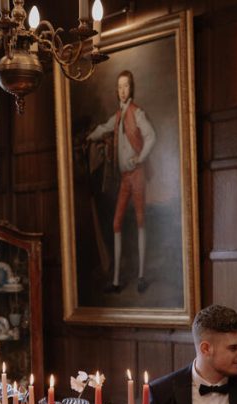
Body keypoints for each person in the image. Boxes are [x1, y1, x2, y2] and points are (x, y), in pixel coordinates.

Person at [87, 70, 157, 294]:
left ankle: (142, 276)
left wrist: (140, 157)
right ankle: (117, 280)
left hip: (137, 174)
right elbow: (103, 129)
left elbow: (151, 137)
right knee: (116, 224)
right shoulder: (117, 117)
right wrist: (88, 137)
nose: (122, 90)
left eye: (125, 86)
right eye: (119, 87)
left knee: (139, 222)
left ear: (131, 88)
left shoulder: (138, 114)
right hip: (125, 178)